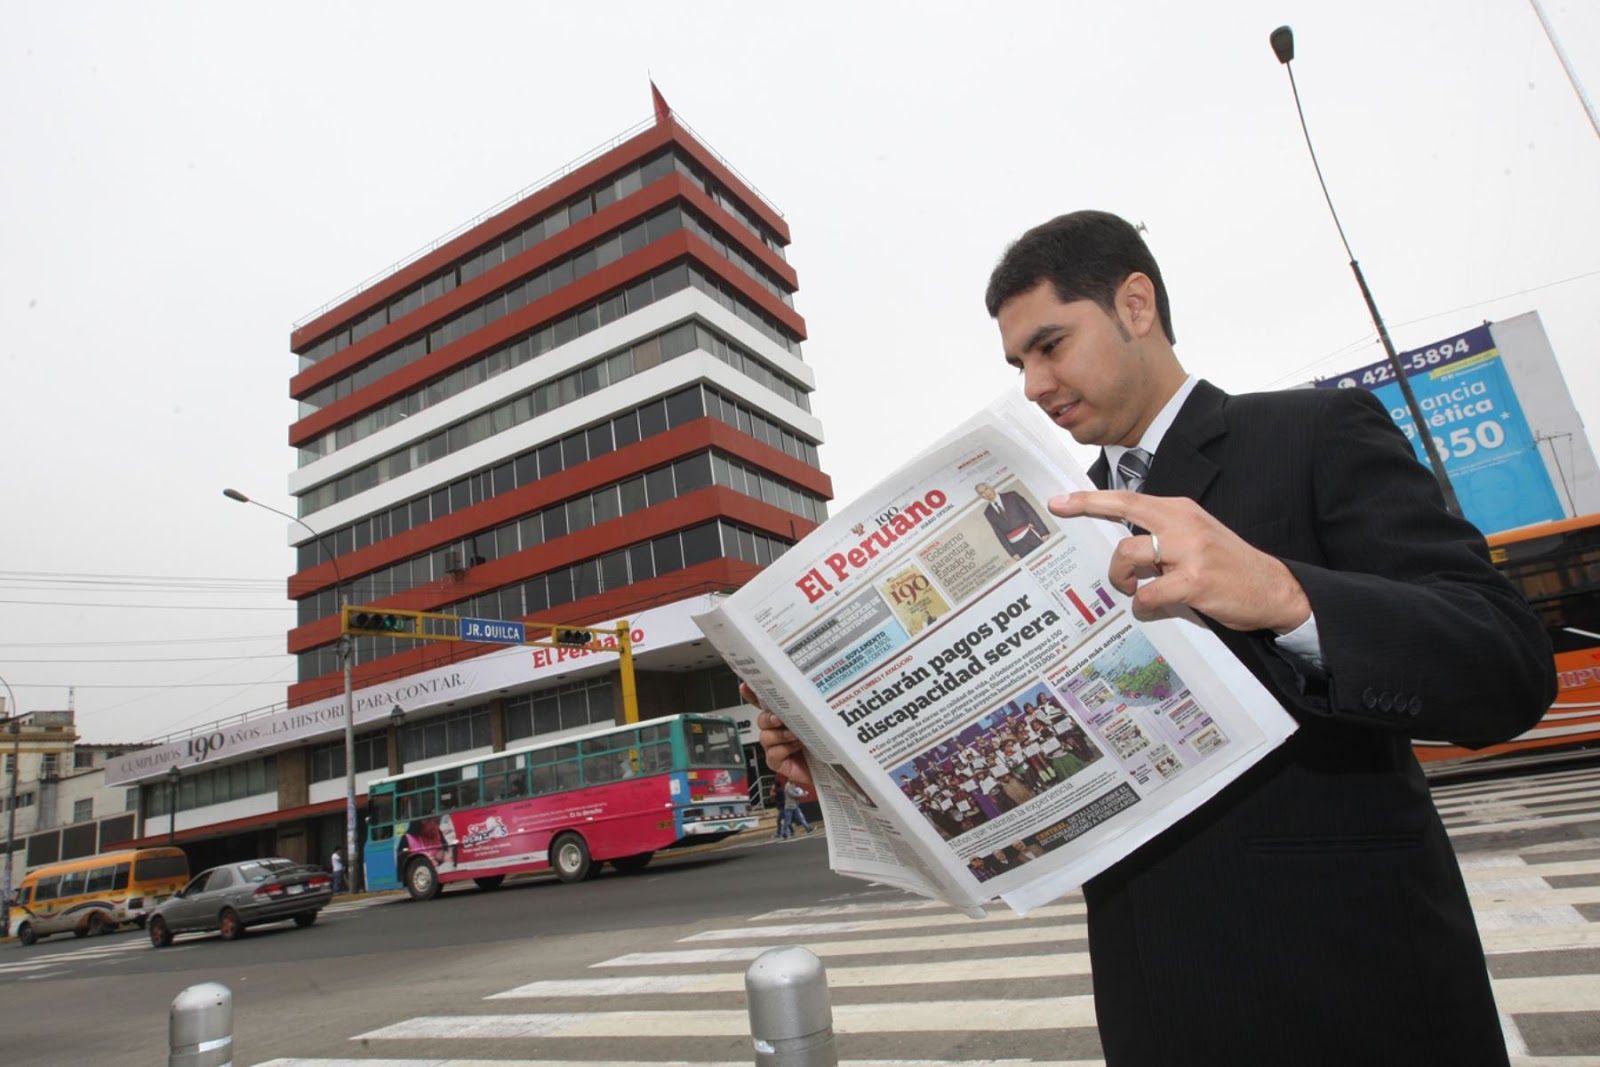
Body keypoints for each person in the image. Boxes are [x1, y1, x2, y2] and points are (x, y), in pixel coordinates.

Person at [758, 211, 1555, 1066]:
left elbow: (1506, 664)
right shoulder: (1055, 513)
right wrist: (850, 766)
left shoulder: (1311, 435)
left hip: (1353, 995)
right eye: (1018, 362)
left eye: (1050, 344)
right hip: (1159, 1011)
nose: (1033, 384)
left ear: (1135, 303)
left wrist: (1287, 597)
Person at [975, 482, 1049, 558]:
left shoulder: (1011, 495)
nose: (986, 493)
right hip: (1017, 546)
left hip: (1032, 535)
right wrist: (1012, 553)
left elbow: (1030, 512)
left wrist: (1043, 532)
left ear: (991, 487)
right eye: (982, 493)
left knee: (1046, 556)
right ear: (981, 496)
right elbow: (999, 533)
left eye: (986, 489)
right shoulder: (988, 512)